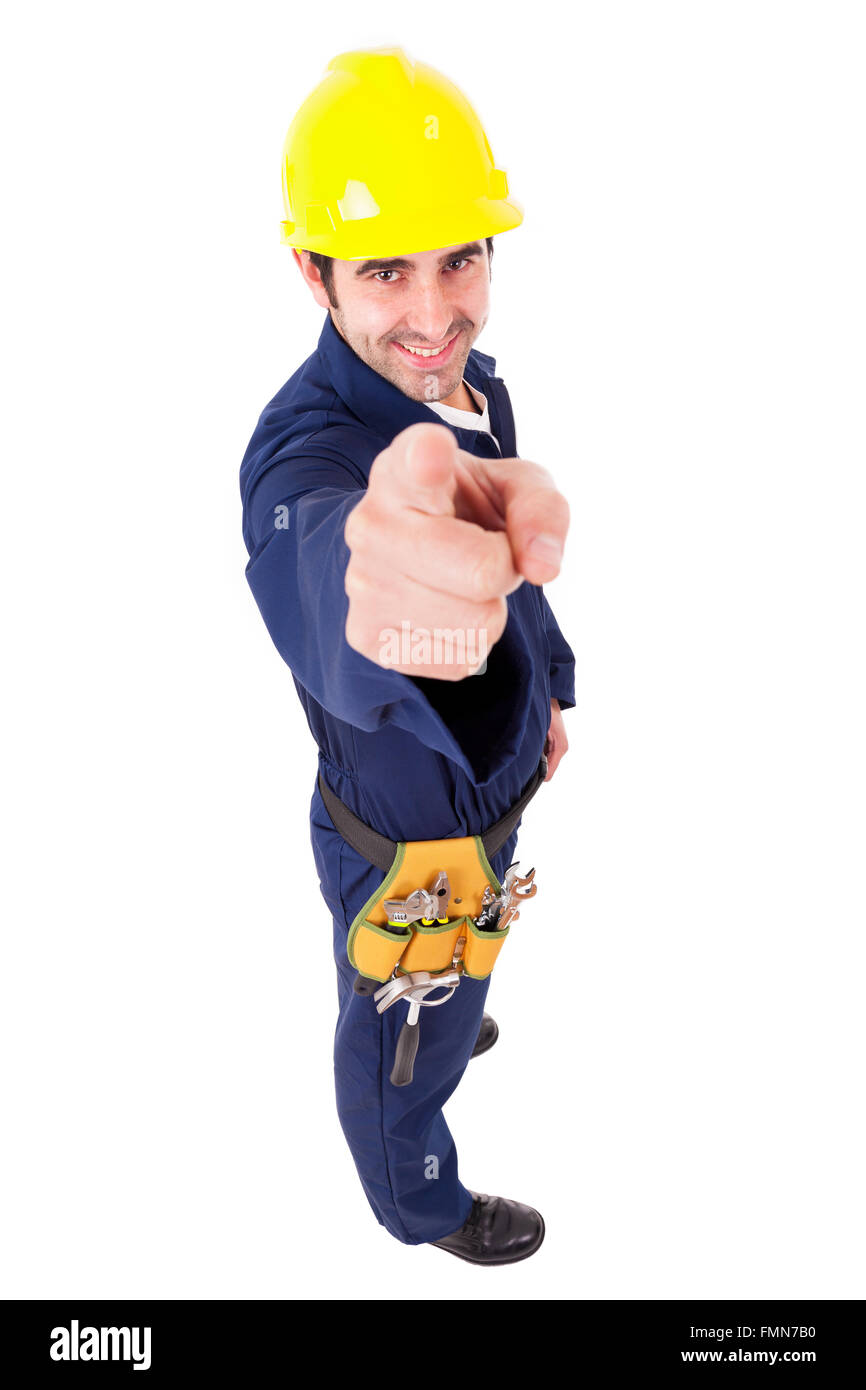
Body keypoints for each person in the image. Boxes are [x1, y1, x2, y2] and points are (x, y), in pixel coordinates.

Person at [239, 46, 575, 1264]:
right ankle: (414, 1196)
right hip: (410, 850)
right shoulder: (302, 458)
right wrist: (380, 600)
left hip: (482, 807)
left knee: (447, 983)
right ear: (311, 271)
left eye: (460, 258)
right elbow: (333, 570)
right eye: (385, 269)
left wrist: (547, 690)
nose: (434, 318)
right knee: (397, 1034)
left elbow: (504, 577)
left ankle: (451, 1006)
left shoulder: (471, 387)